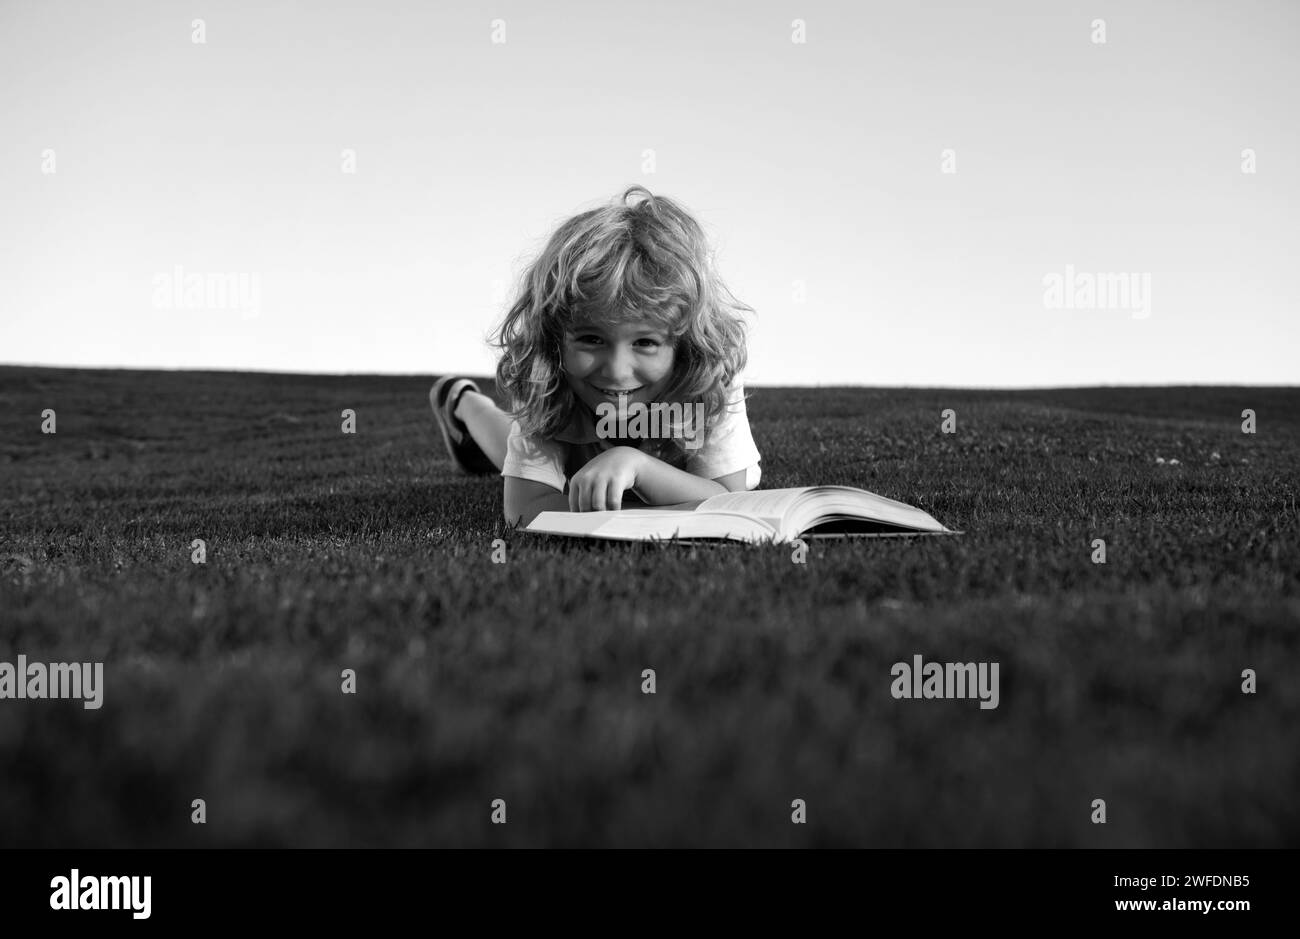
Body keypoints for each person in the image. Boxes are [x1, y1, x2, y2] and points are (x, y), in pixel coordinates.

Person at [431, 185, 762, 528]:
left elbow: (728, 498)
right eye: (591, 339)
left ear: (686, 344)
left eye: (646, 343)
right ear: (554, 338)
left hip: (651, 469)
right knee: (513, 453)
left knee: (514, 454)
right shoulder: (549, 375)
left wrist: (638, 467)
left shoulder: (708, 372)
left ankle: (465, 403)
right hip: (576, 463)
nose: (617, 372)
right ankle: (462, 402)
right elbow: (524, 507)